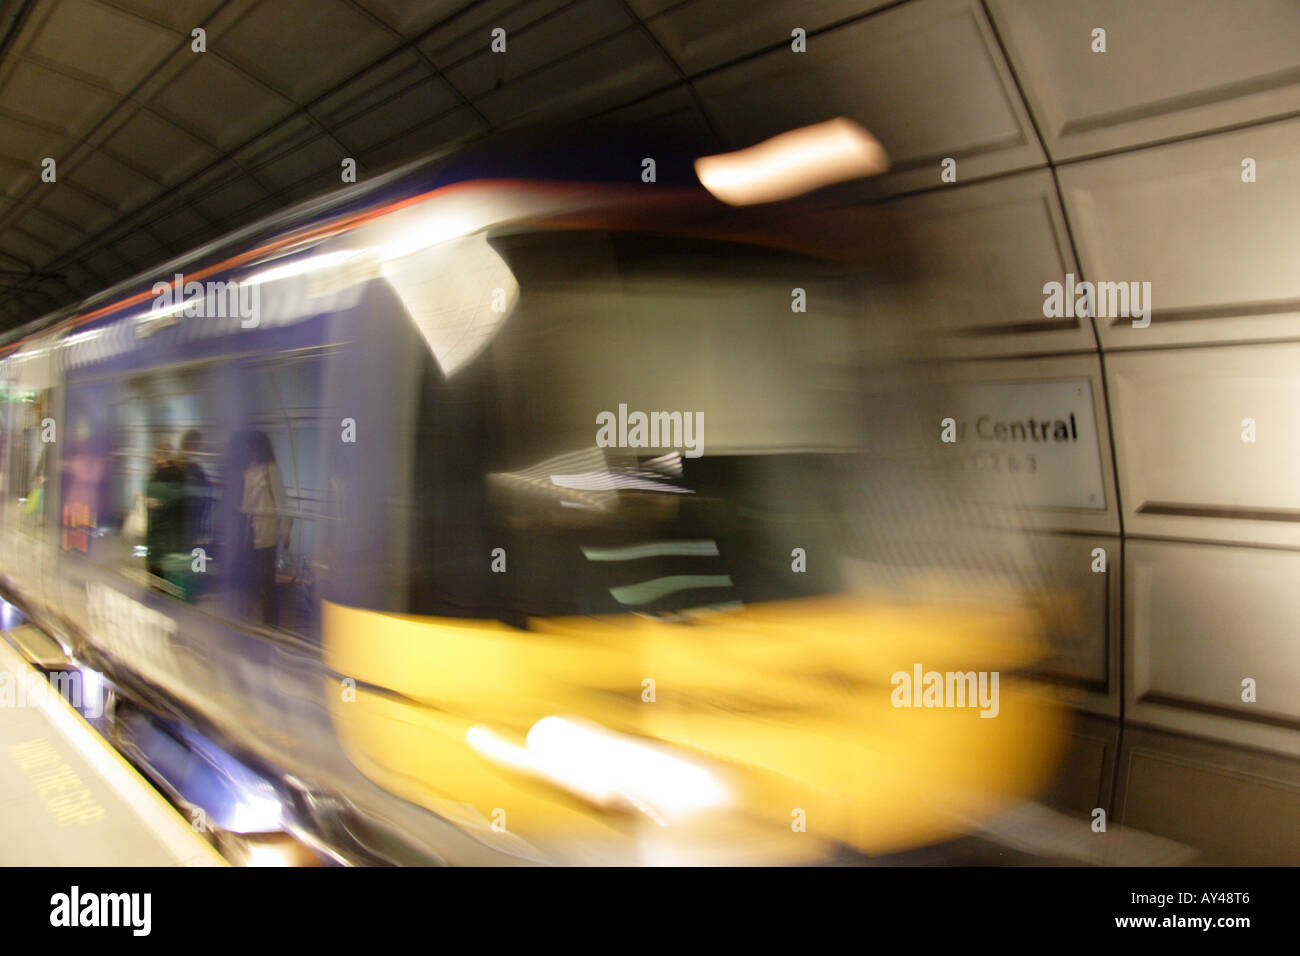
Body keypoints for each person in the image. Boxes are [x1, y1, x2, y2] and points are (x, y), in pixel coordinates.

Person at [240, 431, 290, 626]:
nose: (249, 451)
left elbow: (281, 502)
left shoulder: (271, 470)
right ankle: (251, 622)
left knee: (267, 581)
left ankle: (270, 624)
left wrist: (285, 531)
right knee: (252, 578)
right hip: (251, 530)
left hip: (267, 531)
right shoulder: (250, 470)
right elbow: (246, 502)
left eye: (251, 447)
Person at [145, 438, 184, 580]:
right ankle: (156, 579)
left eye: (157, 454)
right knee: (156, 552)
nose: (154, 457)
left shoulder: (173, 473)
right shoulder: (161, 471)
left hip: (164, 521)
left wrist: (160, 503)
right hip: (157, 519)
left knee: (160, 552)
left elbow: (176, 496)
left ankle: (160, 580)